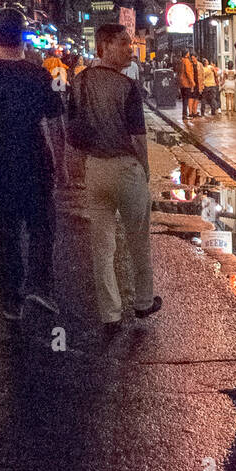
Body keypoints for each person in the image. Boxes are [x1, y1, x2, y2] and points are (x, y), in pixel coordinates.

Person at [0, 7, 67, 322]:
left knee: (4, 234)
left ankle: (10, 300)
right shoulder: (38, 74)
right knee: (42, 227)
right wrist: (60, 165)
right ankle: (39, 286)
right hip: (34, 161)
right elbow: (55, 125)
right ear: (23, 36)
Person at [68, 23, 161, 342]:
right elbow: (138, 137)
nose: (129, 49)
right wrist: (145, 168)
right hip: (125, 168)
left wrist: (77, 164)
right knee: (138, 238)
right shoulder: (127, 86)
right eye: (123, 43)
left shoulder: (77, 82)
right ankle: (143, 301)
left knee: (102, 244)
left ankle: (110, 314)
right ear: (104, 46)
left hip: (95, 169)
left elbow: (72, 130)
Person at [178, 50, 196, 120]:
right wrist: (192, 82)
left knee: (184, 100)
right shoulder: (186, 61)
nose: (189, 53)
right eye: (188, 52)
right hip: (186, 83)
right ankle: (185, 115)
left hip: (182, 83)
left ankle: (184, 114)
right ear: (186, 54)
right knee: (186, 99)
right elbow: (188, 72)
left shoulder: (181, 61)